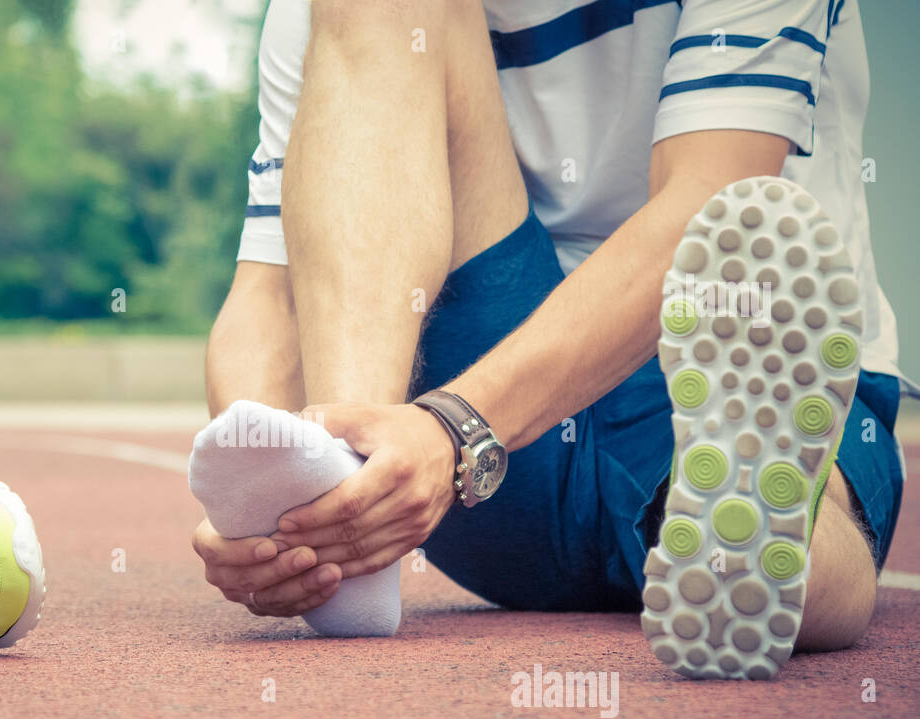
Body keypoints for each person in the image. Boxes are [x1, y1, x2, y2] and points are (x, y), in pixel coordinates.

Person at [187, 0, 912, 679]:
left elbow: (710, 205)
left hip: (703, 370)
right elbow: (269, 294)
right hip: (454, 463)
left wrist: (454, 429)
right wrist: (276, 512)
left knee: (779, 527)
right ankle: (352, 491)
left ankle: (756, 542)